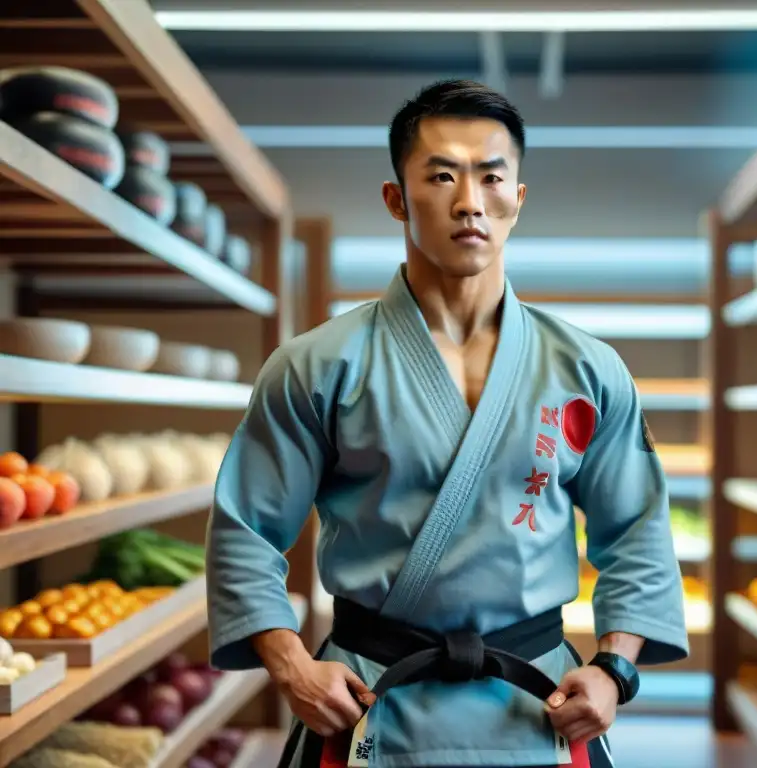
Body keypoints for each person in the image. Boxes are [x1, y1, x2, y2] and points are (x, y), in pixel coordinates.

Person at [206, 79, 688, 768]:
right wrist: (290, 666)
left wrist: (616, 669)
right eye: (441, 176)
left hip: (536, 700)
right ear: (396, 198)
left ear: (517, 199)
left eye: (492, 177)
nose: (470, 201)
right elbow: (245, 531)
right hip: (373, 696)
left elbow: (637, 530)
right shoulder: (316, 365)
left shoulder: (587, 367)